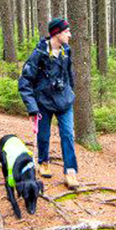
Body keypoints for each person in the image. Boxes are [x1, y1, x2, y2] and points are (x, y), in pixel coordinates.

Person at [19, 18, 80, 189]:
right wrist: (32, 108)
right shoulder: (38, 54)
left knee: (67, 134)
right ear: (57, 33)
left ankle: (70, 171)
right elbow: (25, 82)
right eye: (67, 31)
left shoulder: (66, 51)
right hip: (44, 102)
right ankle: (43, 162)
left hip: (64, 101)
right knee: (43, 135)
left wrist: (70, 92)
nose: (70, 35)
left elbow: (69, 75)